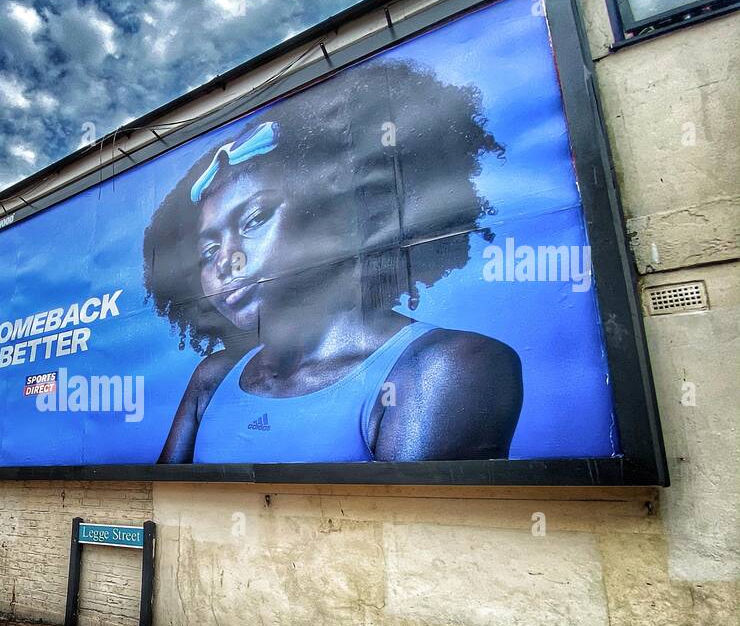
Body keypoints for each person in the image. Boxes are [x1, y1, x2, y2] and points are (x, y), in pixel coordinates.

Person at [143, 59, 523, 465]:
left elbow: (401, 528)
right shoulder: (213, 380)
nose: (226, 261)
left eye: (254, 219)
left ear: (335, 218)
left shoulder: (446, 364)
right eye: (208, 251)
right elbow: (162, 512)